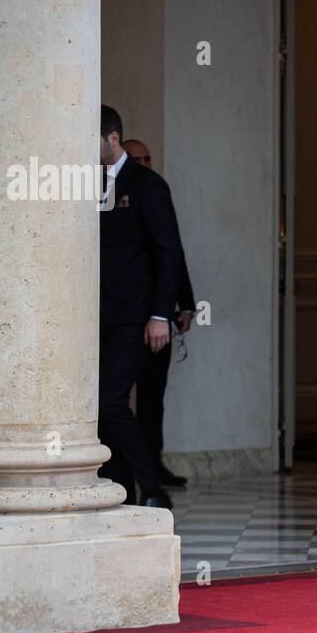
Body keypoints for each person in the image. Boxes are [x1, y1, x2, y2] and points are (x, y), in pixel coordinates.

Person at [98, 106, 185, 508]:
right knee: (103, 409)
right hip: (100, 316)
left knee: (111, 402)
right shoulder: (89, 184)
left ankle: (152, 488)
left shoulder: (147, 185)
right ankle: (122, 490)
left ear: (112, 139)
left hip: (136, 316)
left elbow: (168, 253)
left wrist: (160, 314)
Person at [122, 138, 196, 489]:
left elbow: (172, 252)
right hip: (123, 318)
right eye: (137, 158)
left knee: (153, 398)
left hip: (157, 318)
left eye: (147, 158)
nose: (144, 163)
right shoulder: (116, 194)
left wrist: (185, 304)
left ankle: (153, 464)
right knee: (115, 401)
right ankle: (128, 472)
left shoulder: (154, 191)